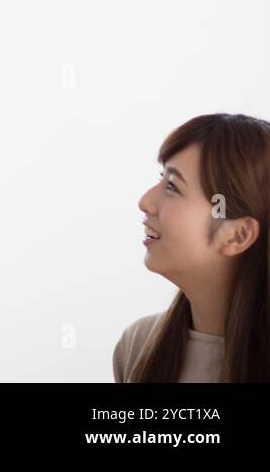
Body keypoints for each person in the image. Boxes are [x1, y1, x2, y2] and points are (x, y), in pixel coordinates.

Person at [113, 113, 269, 382]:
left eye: (172, 186)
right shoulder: (137, 346)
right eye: (161, 178)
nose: (145, 201)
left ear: (237, 235)